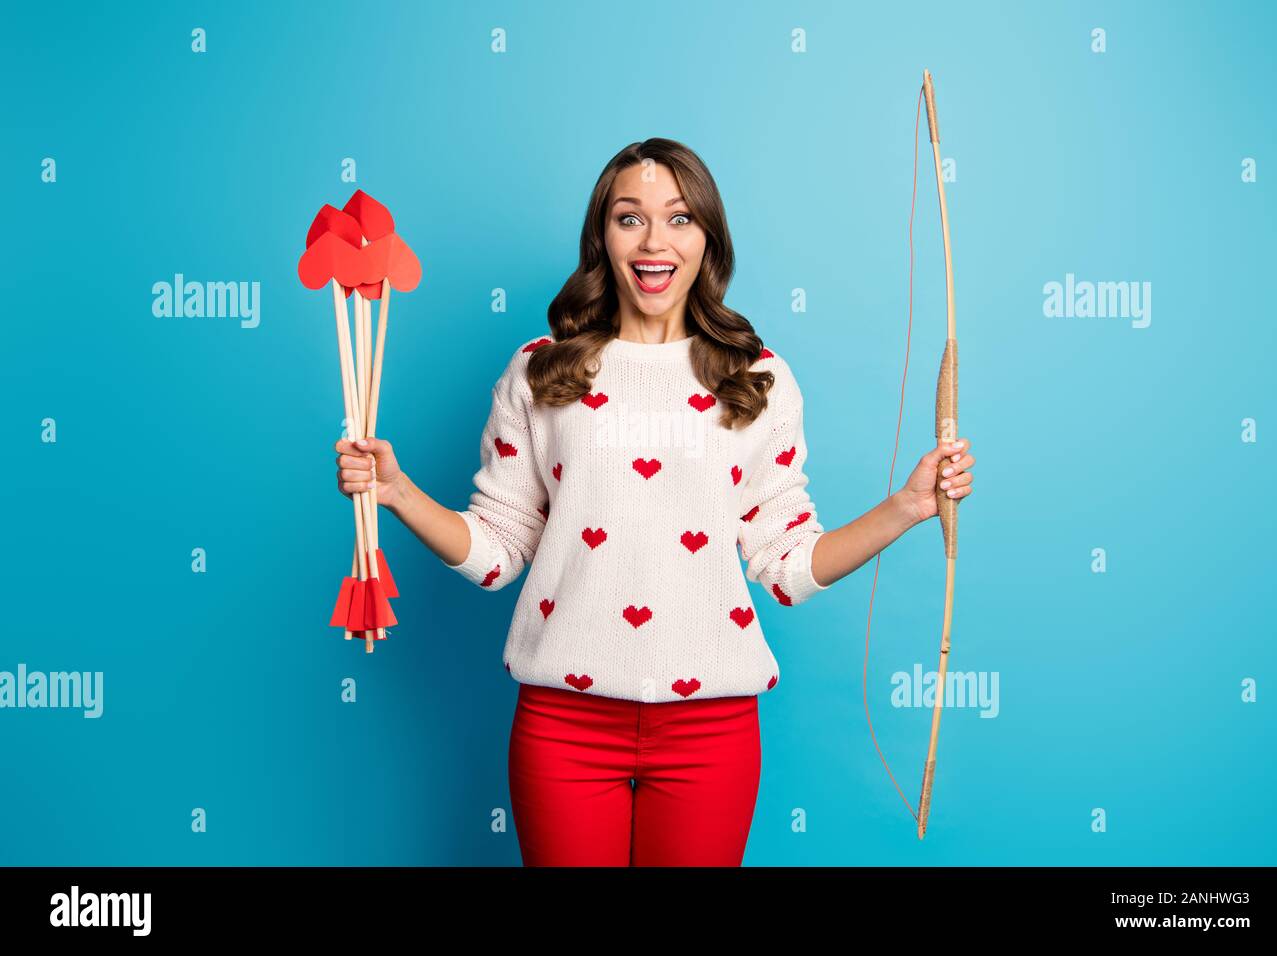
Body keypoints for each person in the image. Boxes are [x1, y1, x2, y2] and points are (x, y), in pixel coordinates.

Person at [333, 138, 976, 866]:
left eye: (678, 218)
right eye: (629, 218)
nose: (654, 240)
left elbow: (789, 566)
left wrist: (908, 506)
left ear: (708, 237)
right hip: (563, 724)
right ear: (601, 238)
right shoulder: (540, 372)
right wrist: (399, 492)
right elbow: (496, 552)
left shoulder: (758, 380)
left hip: (712, 730)